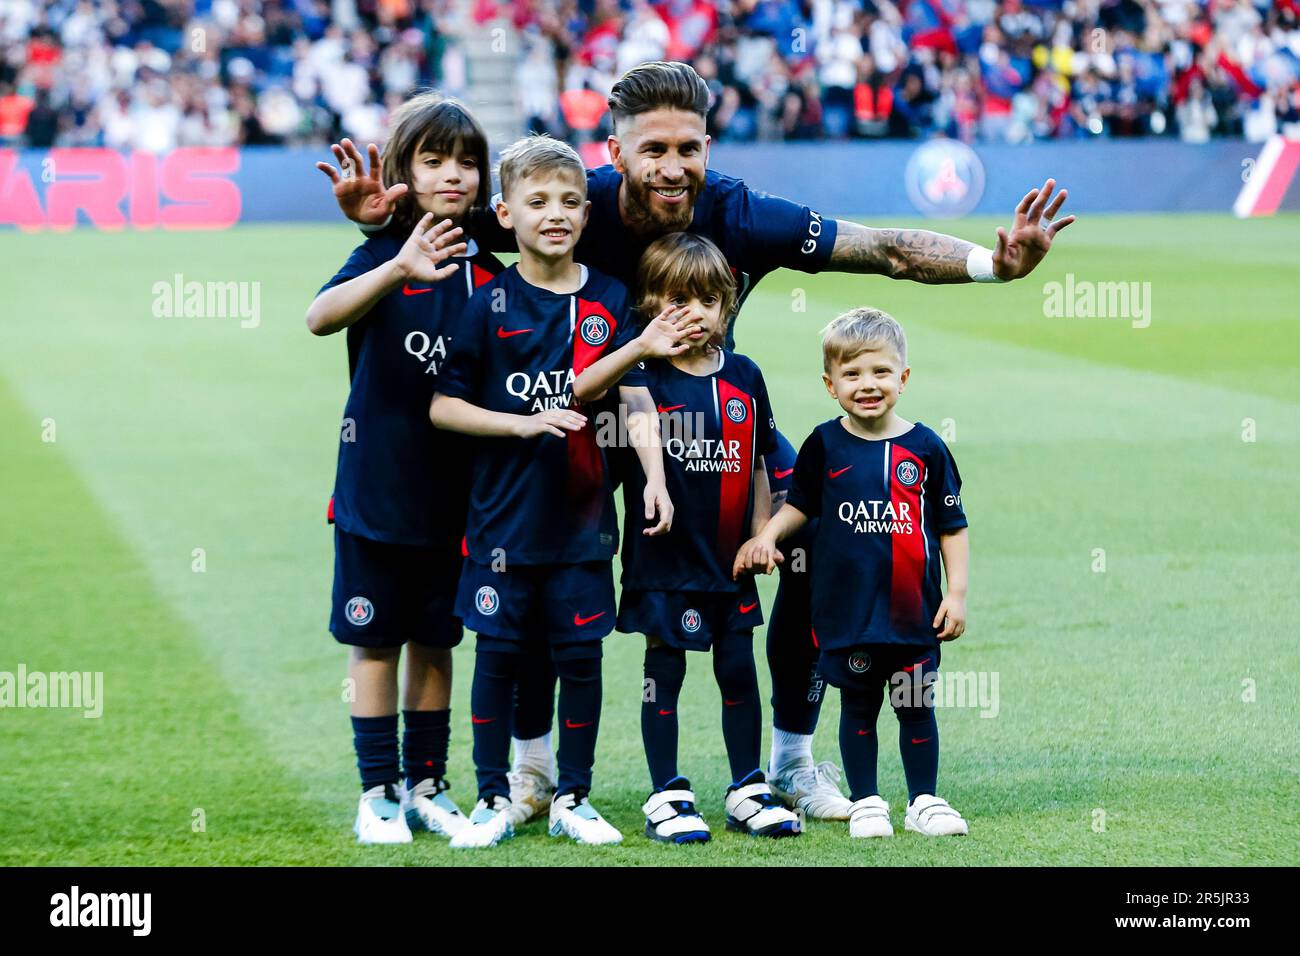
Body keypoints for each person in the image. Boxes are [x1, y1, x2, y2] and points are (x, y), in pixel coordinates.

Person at [318, 59, 1072, 822]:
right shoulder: (568, 200)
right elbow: (437, 220)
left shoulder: (740, 213)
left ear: (708, 145)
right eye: (654, 150)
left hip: (715, 419)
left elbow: (882, 249)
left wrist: (992, 266)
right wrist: (373, 224)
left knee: (811, 524)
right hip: (584, 417)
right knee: (537, 549)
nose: (673, 167)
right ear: (614, 154)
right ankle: (532, 771)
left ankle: (790, 760)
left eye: (689, 148)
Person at [429, 134, 691, 848]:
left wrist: (657, 480)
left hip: (582, 522)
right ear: (505, 214)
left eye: (570, 201)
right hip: (500, 522)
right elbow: (443, 407)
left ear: (585, 215)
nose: (556, 214)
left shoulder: (610, 299)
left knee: (581, 660)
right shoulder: (485, 304)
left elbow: (636, 400)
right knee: (499, 657)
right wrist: (518, 426)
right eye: (537, 201)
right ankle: (493, 795)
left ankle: (574, 795)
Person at [305, 94, 500, 844]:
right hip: (377, 494)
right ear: (404, 173)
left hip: (460, 503)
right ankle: (377, 791)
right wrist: (393, 263)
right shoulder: (383, 251)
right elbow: (320, 317)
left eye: (466, 161)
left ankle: (427, 783)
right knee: (374, 644)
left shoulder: (492, 274)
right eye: (433, 160)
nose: (452, 174)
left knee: (438, 643)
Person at [735, 308, 971, 838]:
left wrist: (955, 595)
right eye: (853, 375)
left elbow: (952, 525)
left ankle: (924, 801)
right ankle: (866, 801)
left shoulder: (927, 447)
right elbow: (800, 505)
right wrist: (768, 535)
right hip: (847, 615)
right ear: (830, 384)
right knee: (858, 706)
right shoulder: (823, 444)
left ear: (903, 378)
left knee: (916, 707)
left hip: (912, 614)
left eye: (881, 373)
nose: (868, 385)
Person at [615, 232, 800, 842]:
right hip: (665, 556)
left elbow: (757, 465)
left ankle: (748, 786)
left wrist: (762, 538)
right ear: (649, 305)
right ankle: (665, 792)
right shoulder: (642, 373)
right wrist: (654, 483)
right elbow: (633, 422)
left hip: (730, 564)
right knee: (663, 671)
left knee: (739, 671)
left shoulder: (745, 375)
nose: (691, 313)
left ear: (726, 305)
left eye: (704, 301)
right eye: (675, 299)